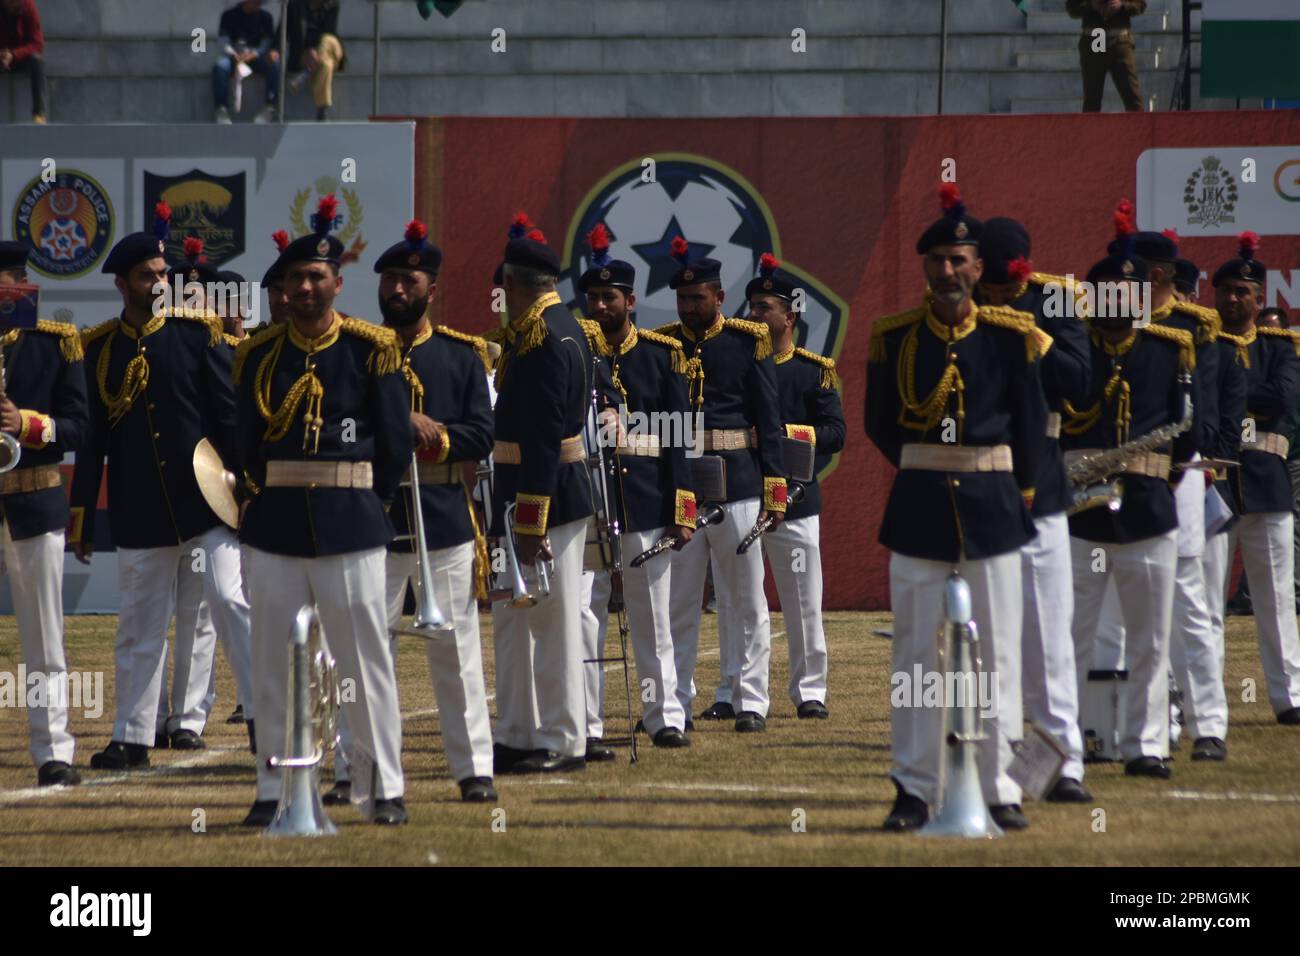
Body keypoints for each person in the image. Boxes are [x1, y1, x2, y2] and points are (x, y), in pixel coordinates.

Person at [866, 185, 1045, 832]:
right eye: (937, 260)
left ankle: (1001, 787)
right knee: (914, 656)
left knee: (998, 653)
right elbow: (882, 426)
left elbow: (1029, 428)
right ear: (925, 266)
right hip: (918, 510)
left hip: (994, 508)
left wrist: (1016, 491)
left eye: (959, 261)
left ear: (978, 268)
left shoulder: (1011, 337)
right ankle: (914, 788)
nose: (947, 272)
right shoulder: (895, 338)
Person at [233, 194, 410, 826]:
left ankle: (382, 786)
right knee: (274, 665)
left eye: (316, 277)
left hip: (352, 522)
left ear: (337, 282)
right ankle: (271, 790)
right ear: (282, 288)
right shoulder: (256, 356)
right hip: (276, 525)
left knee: (363, 664)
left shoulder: (373, 349)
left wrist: (367, 500)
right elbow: (245, 447)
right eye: (295, 278)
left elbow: (393, 445)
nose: (305, 287)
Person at [70, 203, 253, 771]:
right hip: (140, 508)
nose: (158, 281)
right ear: (122, 283)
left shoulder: (196, 336)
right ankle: (131, 736)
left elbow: (228, 419)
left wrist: (247, 487)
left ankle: (266, 716)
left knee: (230, 602)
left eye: (162, 272)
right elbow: (93, 439)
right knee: (138, 627)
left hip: (207, 505)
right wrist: (81, 513)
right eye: (147, 274)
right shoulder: (97, 349)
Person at [1061, 203, 1199, 782]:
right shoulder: (1070, 352)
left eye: (1131, 292)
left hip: (1146, 509)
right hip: (1079, 515)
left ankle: (1148, 746)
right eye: (1109, 293)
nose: (1121, 303)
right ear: (1093, 299)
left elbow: (1188, 438)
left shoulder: (1169, 349)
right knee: (1069, 639)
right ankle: (1064, 748)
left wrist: (1151, 475)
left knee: (1149, 638)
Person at [369, 218, 498, 803]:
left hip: (443, 515)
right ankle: (364, 769)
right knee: (368, 652)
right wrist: (399, 425)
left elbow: (481, 435)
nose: (397, 290)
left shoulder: (463, 356)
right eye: (389, 280)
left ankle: (474, 770)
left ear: (431, 287)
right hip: (373, 518)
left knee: (456, 649)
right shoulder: (360, 353)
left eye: (408, 280)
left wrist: (435, 437)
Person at [975, 218, 1093, 802]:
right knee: (980, 637)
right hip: (975, 482)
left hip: (1038, 481)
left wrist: (1033, 334)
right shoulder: (959, 304)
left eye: (1004, 289)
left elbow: (1080, 383)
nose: (993, 299)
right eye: (987, 289)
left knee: (1048, 633)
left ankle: (1062, 763)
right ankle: (993, 765)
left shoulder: (1054, 301)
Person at [655, 236, 788, 733]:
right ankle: (676, 703)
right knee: (679, 602)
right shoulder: (664, 343)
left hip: (739, 483)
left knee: (746, 598)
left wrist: (776, 493)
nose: (689, 307)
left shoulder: (747, 340)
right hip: (681, 484)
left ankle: (751, 699)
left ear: (719, 298)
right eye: (683, 299)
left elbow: (768, 419)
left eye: (698, 299)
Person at [577, 223, 696, 749]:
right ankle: (585, 723)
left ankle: (663, 716)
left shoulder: (662, 354)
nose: (600, 307)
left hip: (647, 502)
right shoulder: (574, 351)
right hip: (591, 503)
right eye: (592, 298)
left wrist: (683, 508)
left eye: (609, 298)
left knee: (652, 616)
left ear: (631, 299)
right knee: (587, 615)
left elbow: (682, 439)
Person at [488, 214, 596, 774]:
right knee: (513, 616)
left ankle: (562, 738)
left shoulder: (547, 336)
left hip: (542, 498)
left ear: (516, 282)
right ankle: (518, 731)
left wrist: (530, 522)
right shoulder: (557, 328)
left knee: (551, 622)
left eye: (502, 285)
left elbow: (547, 434)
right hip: (525, 496)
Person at [0, 240, 88, 785]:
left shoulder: (56, 343)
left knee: (43, 636)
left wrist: (26, 424)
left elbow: (79, 427)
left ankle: (53, 750)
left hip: (33, 497)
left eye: (12, 287)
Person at [747, 252, 845, 720]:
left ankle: (811, 691)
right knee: (742, 603)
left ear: (790, 315)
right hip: (745, 496)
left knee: (804, 602)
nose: (754, 317)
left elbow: (835, 433)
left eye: (764, 308)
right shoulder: (739, 365)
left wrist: (786, 435)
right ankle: (739, 694)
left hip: (796, 499)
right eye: (751, 308)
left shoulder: (812, 370)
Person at [1212, 232, 1300, 729]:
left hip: (1266, 484)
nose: (1233, 298)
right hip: (1217, 484)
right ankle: (1203, 703)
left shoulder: (1280, 346)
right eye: (1225, 290)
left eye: (1243, 292)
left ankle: (1289, 695)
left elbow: (1281, 400)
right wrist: (1245, 394)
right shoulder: (1204, 345)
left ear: (1260, 298)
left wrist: (1233, 390)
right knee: (1205, 603)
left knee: (1275, 596)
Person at [1066, 0, 1146, 113]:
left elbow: (1140, 5)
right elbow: (1072, 8)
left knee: (1133, 98)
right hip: (1094, 39)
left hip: (1119, 41)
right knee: (1091, 101)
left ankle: (1139, 129)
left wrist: (1122, 5)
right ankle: (1091, 130)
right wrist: (1091, 6)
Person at [213, 0, 279, 125]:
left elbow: (267, 42)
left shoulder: (266, 17)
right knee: (220, 67)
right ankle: (221, 109)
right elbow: (223, 41)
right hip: (234, 57)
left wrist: (254, 54)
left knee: (274, 64)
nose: (258, 4)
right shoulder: (228, 16)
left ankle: (270, 107)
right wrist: (234, 54)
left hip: (256, 58)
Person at [283, 0, 345, 122]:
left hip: (332, 49)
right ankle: (322, 109)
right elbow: (284, 29)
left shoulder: (332, 5)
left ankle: (307, 72)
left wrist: (314, 50)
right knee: (326, 65)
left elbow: (329, 29)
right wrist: (275, 50)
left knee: (327, 40)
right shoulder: (295, 5)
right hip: (306, 54)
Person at [0, 0, 46, 123]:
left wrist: (14, 55)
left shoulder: (28, 6)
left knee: (37, 62)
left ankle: (39, 114)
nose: (13, 4)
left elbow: (37, 43)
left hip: (20, 57)